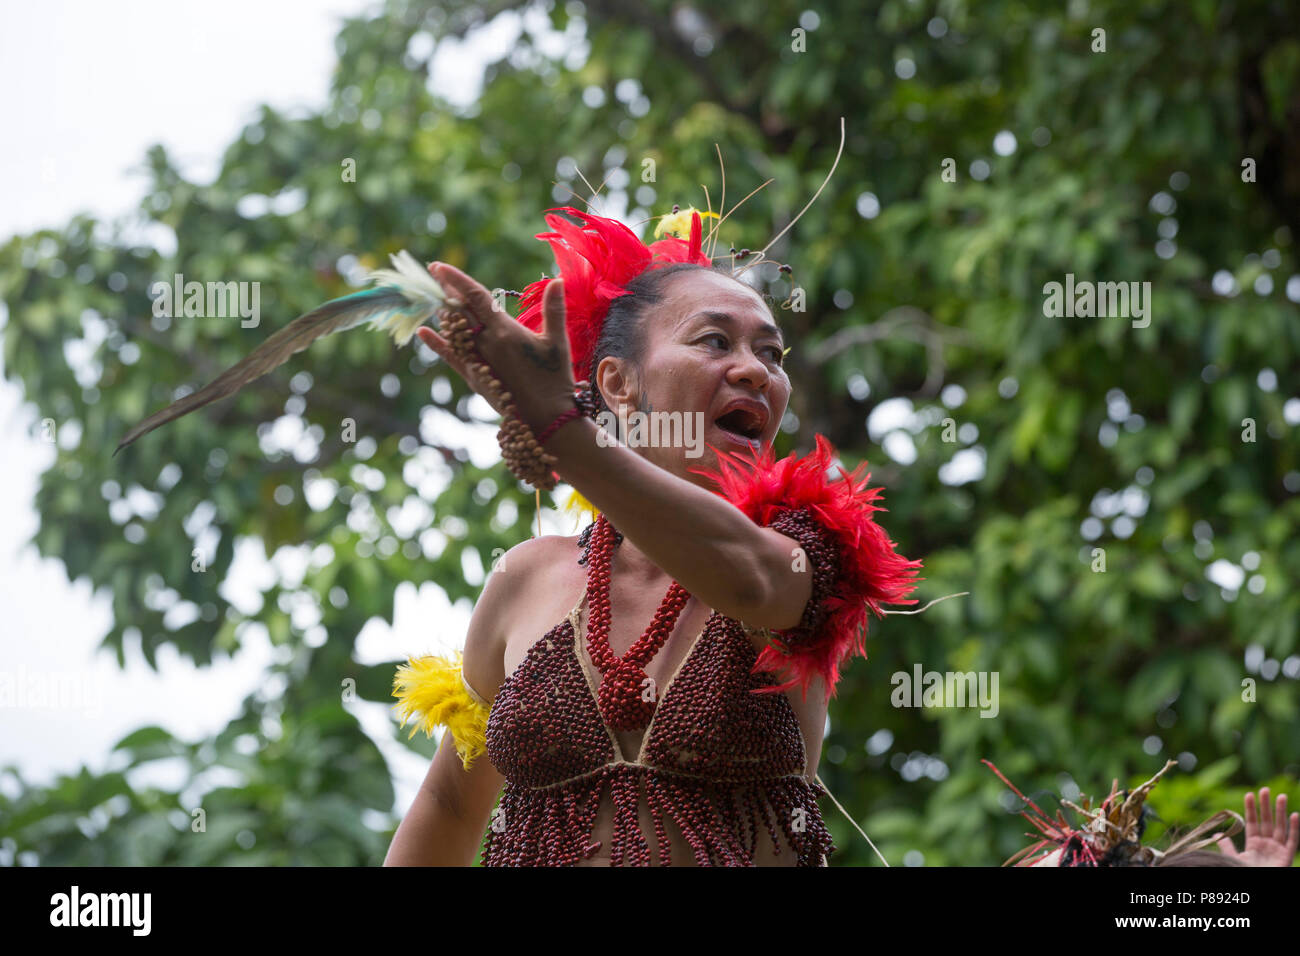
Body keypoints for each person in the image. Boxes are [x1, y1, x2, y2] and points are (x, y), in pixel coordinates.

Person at [384, 206, 921, 866]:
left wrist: (563, 434)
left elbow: (749, 581)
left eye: (771, 352)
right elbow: (450, 806)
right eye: (715, 342)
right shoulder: (525, 578)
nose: (755, 369)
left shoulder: (806, 544)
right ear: (617, 383)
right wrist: (569, 435)